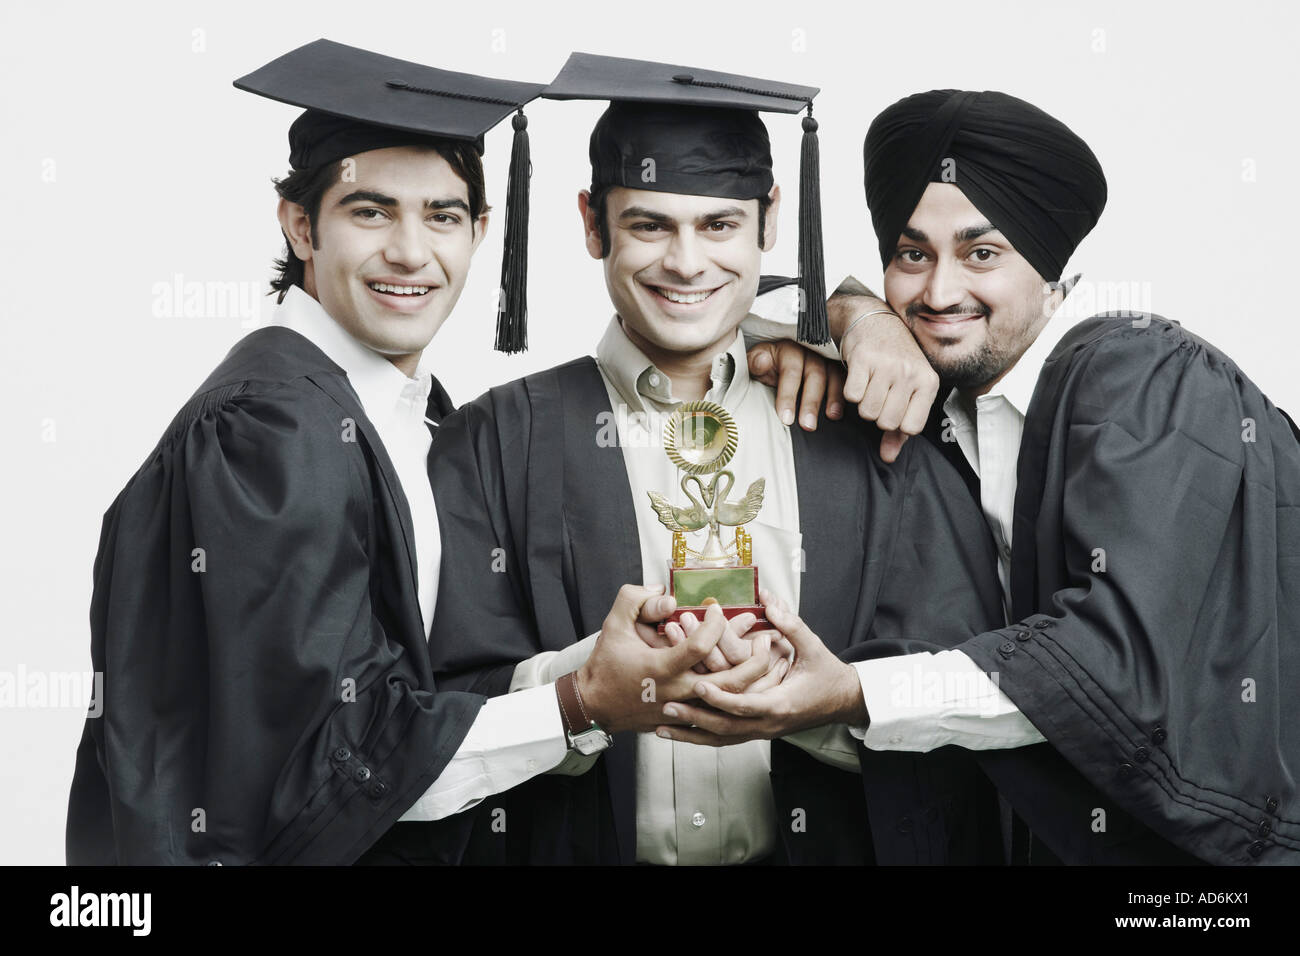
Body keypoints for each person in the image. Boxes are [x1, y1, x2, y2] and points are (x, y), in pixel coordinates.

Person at [64, 39, 754, 867]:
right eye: (370, 211)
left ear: (481, 232)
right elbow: (325, 772)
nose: (410, 252)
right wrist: (581, 702)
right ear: (299, 225)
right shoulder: (272, 431)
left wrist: (830, 320)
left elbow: (401, 702)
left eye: (443, 216)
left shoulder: (397, 413)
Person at [661, 89, 1300, 866]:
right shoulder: (952, 403)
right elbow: (708, 305)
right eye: (910, 254)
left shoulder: (1143, 375)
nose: (938, 293)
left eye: (982, 253)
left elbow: (1111, 665)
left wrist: (855, 694)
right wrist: (855, 314)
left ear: (1050, 266)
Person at [426, 55, 1006, 865]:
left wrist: (824, 702)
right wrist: (586, 692)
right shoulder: (491, 444)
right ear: (593, 223)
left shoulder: (868, 432)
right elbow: (431, 717)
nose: (687, 263)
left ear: (770, 219)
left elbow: (970, 696)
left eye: (720, 225)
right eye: (650, 225)